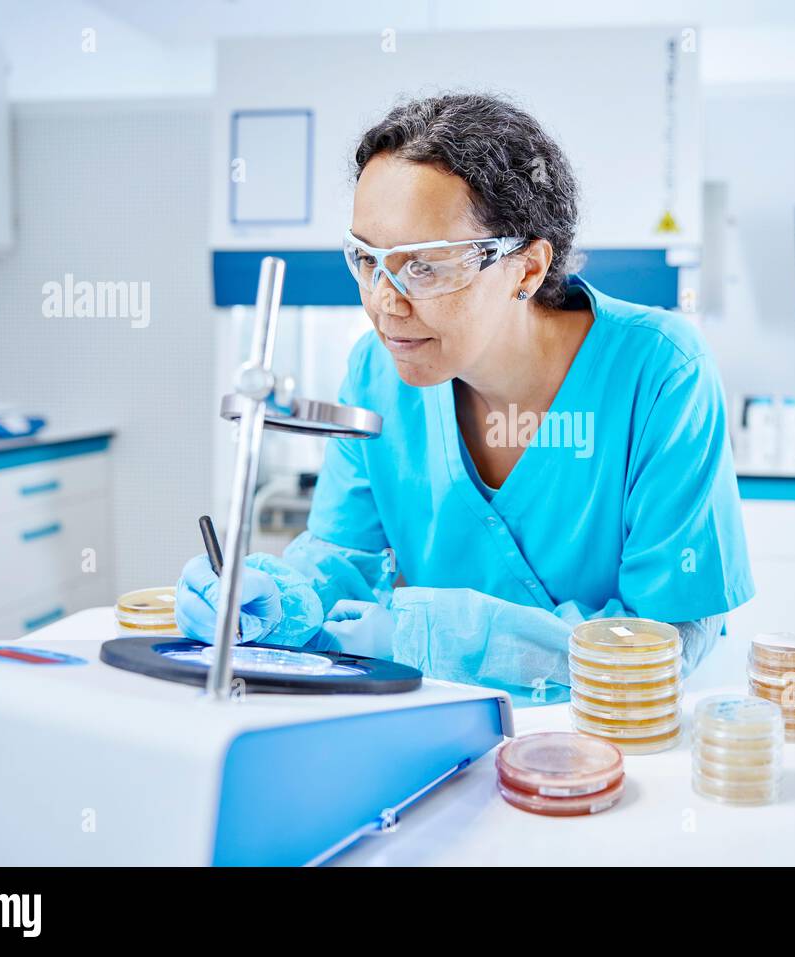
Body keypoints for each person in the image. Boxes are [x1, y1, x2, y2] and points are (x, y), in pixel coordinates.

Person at [177, 92, 753, 703]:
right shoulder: (376, 372)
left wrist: (422, 636)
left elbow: (665, 636)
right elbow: (341, 556)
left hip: (609, 737)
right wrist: (276, 599)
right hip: (441, 724)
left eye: (424, 266)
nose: (384, 302)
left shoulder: (660, 370)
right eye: (367, 260)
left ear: (527, 270)